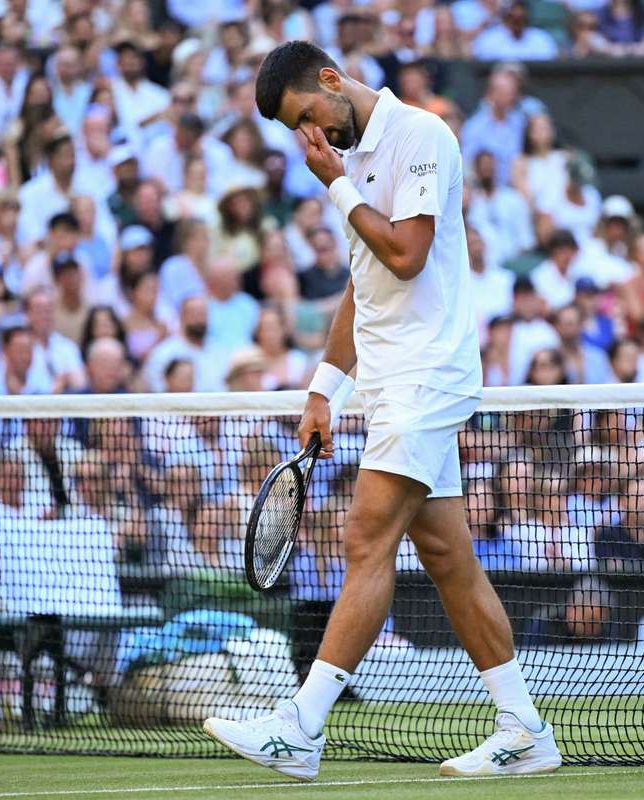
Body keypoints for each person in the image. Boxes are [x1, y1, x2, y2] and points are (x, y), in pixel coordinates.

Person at [204, 41, 561, 781]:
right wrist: (323, 390)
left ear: (332, 83)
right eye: (296, 130)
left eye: (310, 117)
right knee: (447, 557)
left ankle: (301, 728)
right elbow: (365, 285)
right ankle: (524, 728)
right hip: (390, 383)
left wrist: (336, 186)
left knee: (367, 540)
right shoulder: (346, 156)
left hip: (429, 376)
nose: (311, 138)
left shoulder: (422, 137)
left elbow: (406, 255)